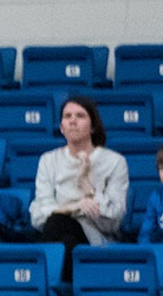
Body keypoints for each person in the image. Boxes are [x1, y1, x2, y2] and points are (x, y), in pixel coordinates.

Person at [30, 94, 128, 279]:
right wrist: (73, 207)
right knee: (59, 228)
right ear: (61, 127)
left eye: (80, 116)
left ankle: (49, 288)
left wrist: (85, 183)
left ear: (92, 126)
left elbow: (114, 219)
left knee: (58, 228)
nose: (72, 121)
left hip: (96, 237)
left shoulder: (115, 162)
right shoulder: (48, 160)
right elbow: (38, 215)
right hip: (57, 233)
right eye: (67, 117)